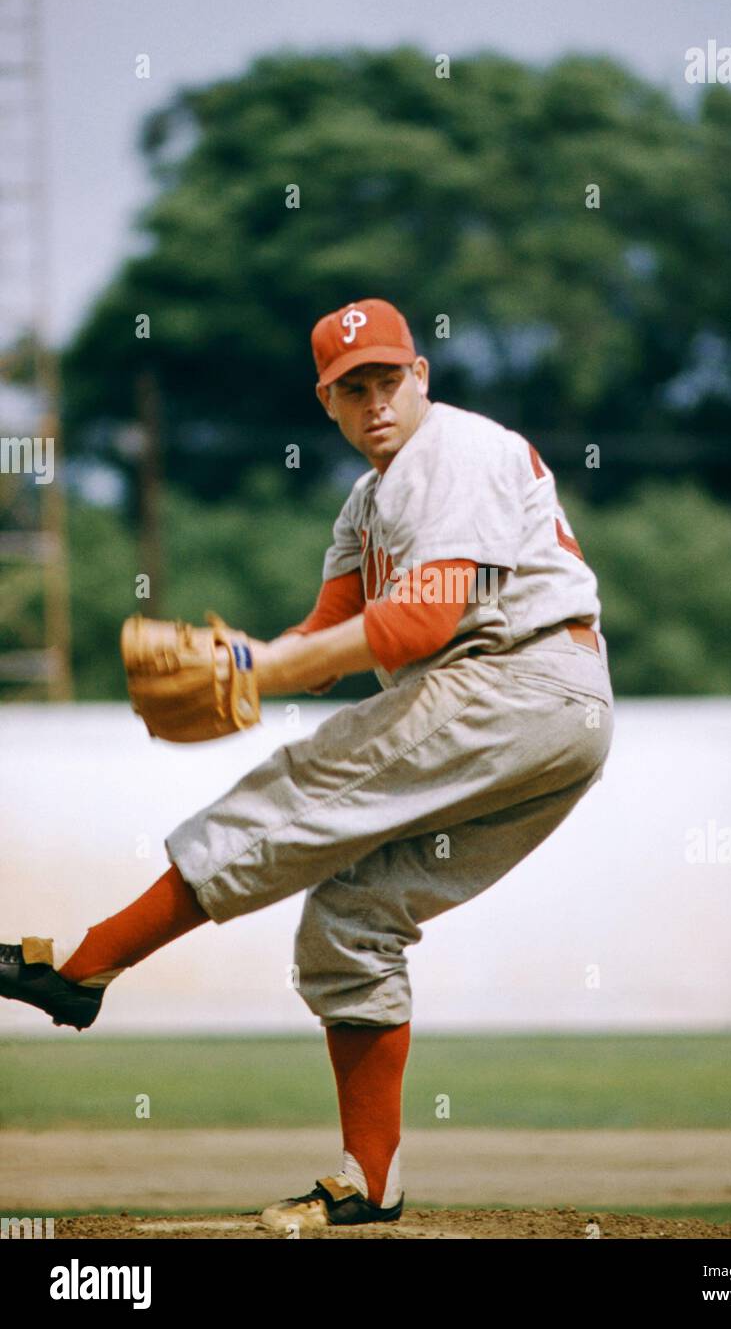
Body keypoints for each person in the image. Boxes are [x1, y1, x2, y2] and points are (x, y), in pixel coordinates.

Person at [0, 298, 614, 1232]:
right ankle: (370, 1186)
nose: (374, 403)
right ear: (326, 403)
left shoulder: (453, 451)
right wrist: (254, 655)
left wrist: (261, 667)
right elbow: (327, 633)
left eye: (387, 380)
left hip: (517, 680)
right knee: (351, 918)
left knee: (297, 789)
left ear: (422, 378)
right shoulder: (369, 502)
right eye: (350, 389)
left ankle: (85, 966)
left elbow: (419, 624)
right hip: (545, 719)